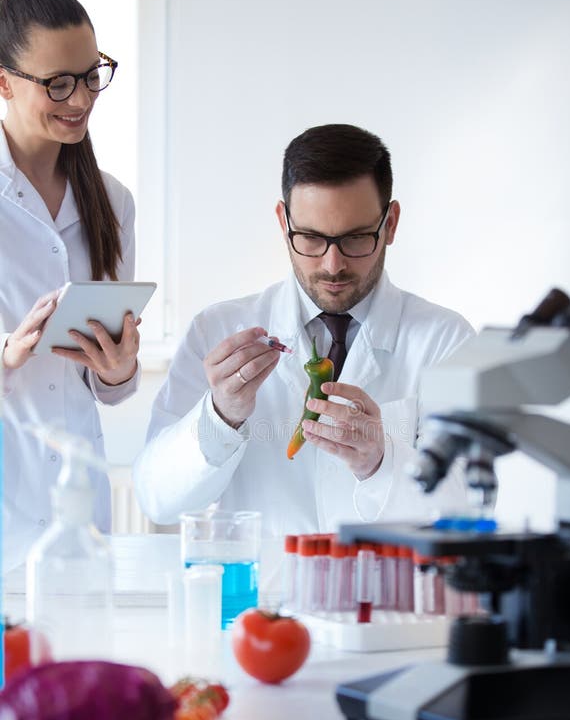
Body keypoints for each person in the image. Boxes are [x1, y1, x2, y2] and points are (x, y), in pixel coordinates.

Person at [134, 123, 473, 543]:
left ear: (391, 224)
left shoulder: (445, 342)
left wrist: (382, 462)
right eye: (311, 238)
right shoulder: (217, 330)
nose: (332, 265)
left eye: (355, 238)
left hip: (385, 604)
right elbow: (157, 499)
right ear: (283, 221)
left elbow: (470, 511)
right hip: (263, 601)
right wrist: (220, 415)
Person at [0, 0, 141, 573]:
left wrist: (119, 368)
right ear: (3, 82)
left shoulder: (112, 201)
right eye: (58, 82)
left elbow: (112, 389)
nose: (81, 98)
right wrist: (8, 355)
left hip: (82, 514)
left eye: (91, 74)